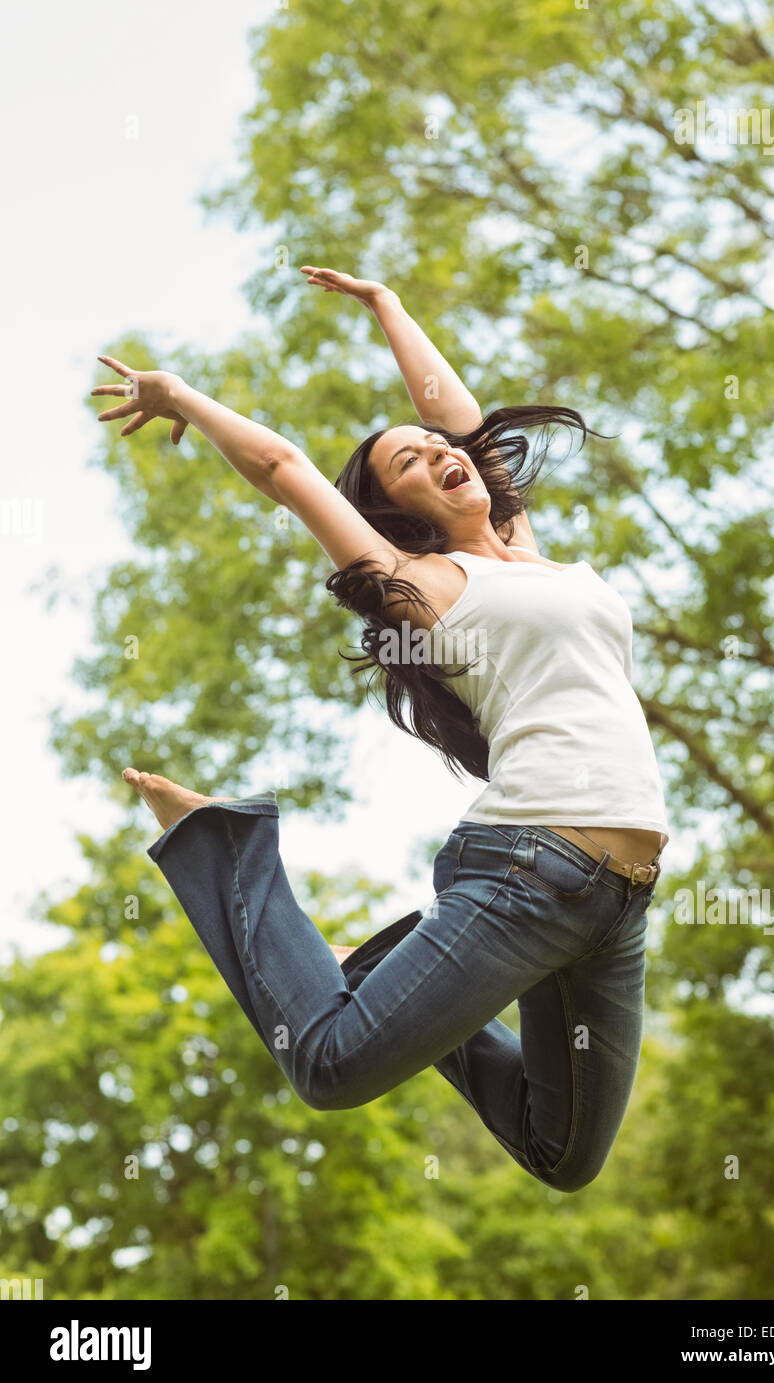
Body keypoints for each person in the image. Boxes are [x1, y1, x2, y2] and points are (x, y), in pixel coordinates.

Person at [92, 267, 669, 1191]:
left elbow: (464, 421)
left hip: (618, 899)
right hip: (530, 871)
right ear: (398, 515)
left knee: (561, 1157)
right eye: (411, 462)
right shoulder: (426, 588)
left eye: (444, 449)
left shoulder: (525, 552)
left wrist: (387, 305)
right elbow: (286, 472)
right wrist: (185, 399)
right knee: (327, 1066)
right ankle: (222, 840)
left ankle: (403, 960)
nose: (446, 455)